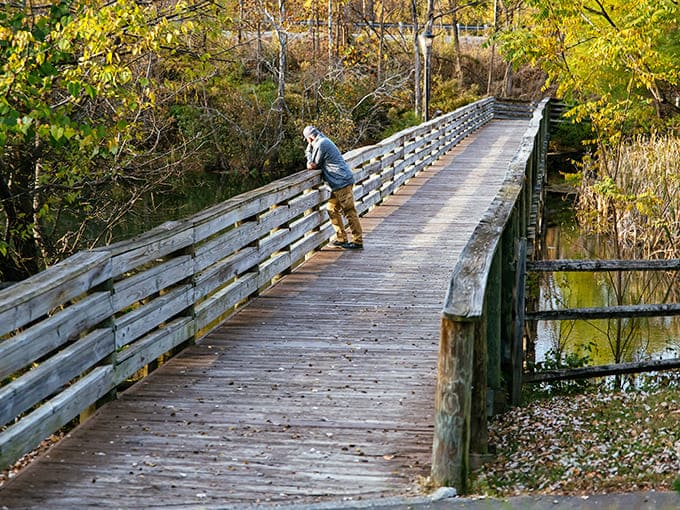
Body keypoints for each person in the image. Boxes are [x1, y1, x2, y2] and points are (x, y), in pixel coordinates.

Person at [303, 125, 363, 249]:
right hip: (339, 182)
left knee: (349, 212)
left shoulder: (321, 144)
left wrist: (308, 153)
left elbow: (313, 165)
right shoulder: (323, 141)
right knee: (331, 209)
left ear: (310, 138)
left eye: (307, 140)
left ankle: (358, 241)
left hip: (341, 182)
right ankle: (341, 238)